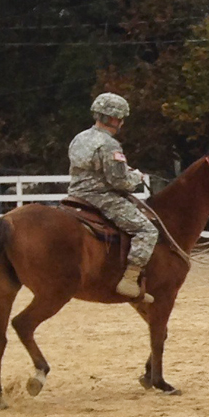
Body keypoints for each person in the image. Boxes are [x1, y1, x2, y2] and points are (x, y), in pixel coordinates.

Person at [68, 92, 157, 302]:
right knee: (147, 230)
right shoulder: (110, 145)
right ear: (115, 119)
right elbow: (119, 182)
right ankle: (129, 279)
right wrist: (136, 176)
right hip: (102, 198)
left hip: (76, 195)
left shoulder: (79, 138)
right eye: (121, 119)